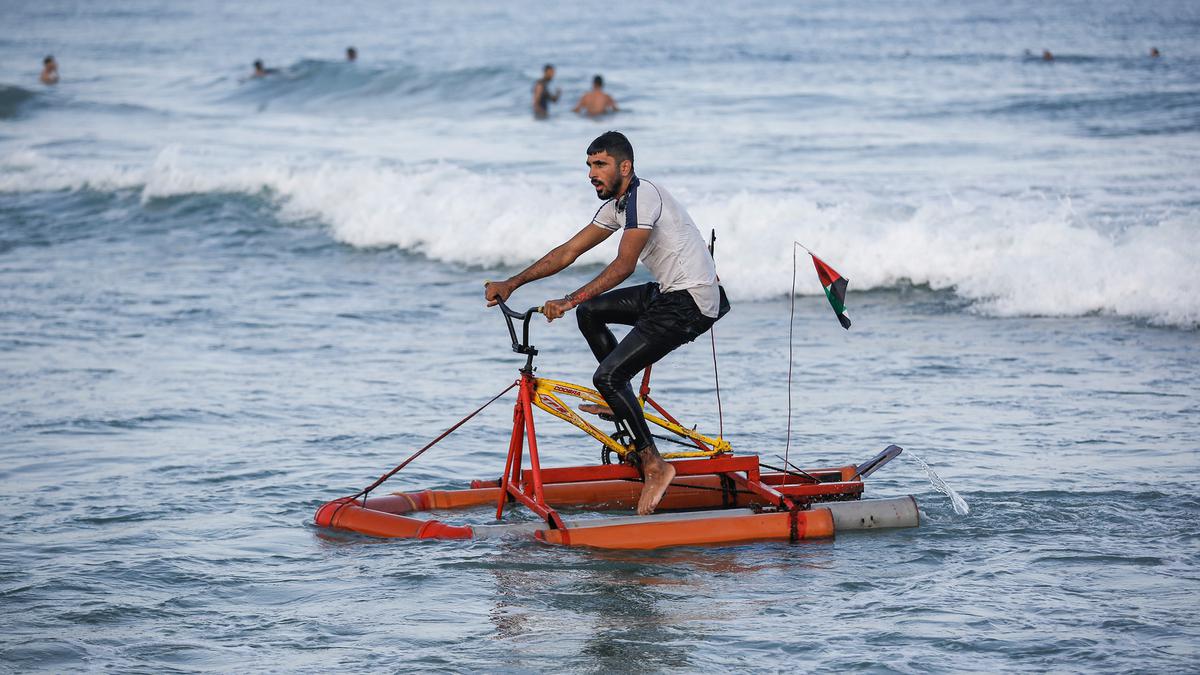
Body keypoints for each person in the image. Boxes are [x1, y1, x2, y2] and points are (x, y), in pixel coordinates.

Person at [485, 131, 729, 516]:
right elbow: (568, 251)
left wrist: (568, 300)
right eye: (589, 165)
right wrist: (511, 284)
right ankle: (621, 401)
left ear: (625, 167)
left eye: (600, 165)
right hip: (667, 292)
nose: (591, 173)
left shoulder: (643, 197)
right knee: (591, 313)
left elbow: (624, 265)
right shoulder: (618, 206)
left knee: (607, 376)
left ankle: (655, 465)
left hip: (692, 301)